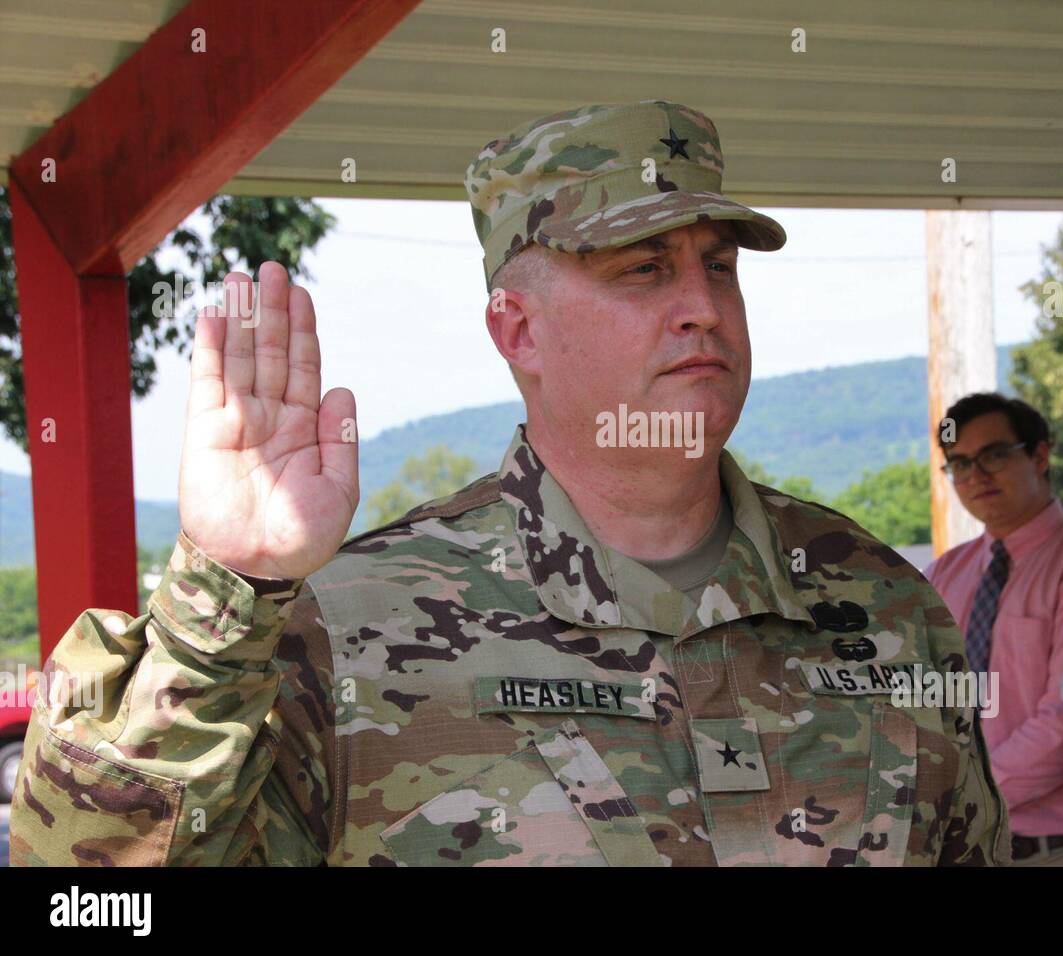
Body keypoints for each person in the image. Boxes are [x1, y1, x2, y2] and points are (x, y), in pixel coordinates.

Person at [11, 100, 1010, 867]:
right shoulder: (349, 626)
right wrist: (224, 587)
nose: (701, 306)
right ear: (515, 330)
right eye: (642, 270)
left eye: (718, 267)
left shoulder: (880, 605)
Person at [925, 393, 1063, 866]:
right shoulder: (943, 574)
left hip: (1057, 846)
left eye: (993, 455)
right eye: (960, 463)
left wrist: (963, 792)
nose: (976, 475)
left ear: (1040, 454)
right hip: (957, 845)